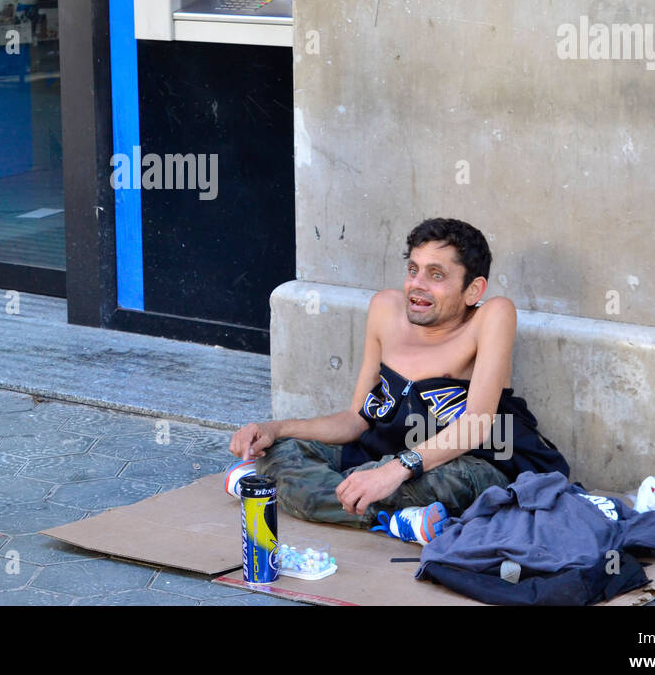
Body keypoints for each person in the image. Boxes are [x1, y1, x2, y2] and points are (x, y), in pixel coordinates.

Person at [228, 218, 569, 544]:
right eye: (413, 269)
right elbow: (355, 420)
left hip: (471, 463)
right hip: (385, 453)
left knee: (444, 481)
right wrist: (275, 429)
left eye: (436, 274)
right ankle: (395, 519)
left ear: (472, 289)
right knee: (281, 451)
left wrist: (392, 471)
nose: (417, 284)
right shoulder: (385, 308)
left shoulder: (491, 315)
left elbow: (476, 426)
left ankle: (297, 491)